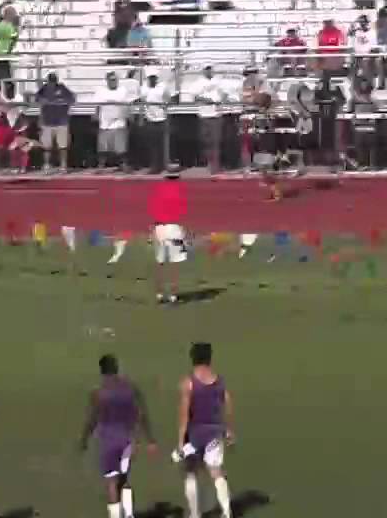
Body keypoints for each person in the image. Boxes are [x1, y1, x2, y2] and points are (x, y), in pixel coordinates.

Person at [81, 354, 156, 518]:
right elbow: (141, 413)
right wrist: (149, 439)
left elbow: (92, 419)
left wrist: (84, 440)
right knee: (124, 479)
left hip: (108, 441)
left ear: (101, 371)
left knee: (111, 482)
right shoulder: (131, 387)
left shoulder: (98, 392)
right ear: (117, 368)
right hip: (128, 440)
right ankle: (129, 514)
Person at [176, 342, 234, 518]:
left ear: (193, 358)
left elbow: (184, 414)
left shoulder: (188, 383)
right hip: (214, 432)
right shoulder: (219, 380)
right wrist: (229, 429)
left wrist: (180, 441)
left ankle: (194, 514)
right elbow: (228, 403)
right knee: (216, 472)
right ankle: (226, 511)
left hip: (194, 434)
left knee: (191, 472)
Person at [149, 164, 187, 302]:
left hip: (159, 227)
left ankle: (159, 294)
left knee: (159, 261)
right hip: (174, 228)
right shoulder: (181, 190)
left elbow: (153, 209)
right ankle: (173, 295)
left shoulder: (158, 189)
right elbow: (183, 212)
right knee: (175, 263)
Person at [93, 71, 132, 170]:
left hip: (119, 122)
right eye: (111, 80)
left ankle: (123, 165)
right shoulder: (101, 91)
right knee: (102, 147)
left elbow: (127, 105)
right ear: (107, 81)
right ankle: (101, 165)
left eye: (115, 80)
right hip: (105, 122)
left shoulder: (123, 90)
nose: (113, 82)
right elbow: (97, 106)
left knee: (121, 147)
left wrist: (129, 117)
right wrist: (95, 115)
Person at [35, 72, 74, 171]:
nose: (52, 83)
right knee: (46, 146)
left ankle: (63, 166)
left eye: (54, 81)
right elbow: (37, 99)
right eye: (51, 81)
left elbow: (71, 99)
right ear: (48, 80)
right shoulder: (43, 89)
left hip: (61, 122)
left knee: (63, 146)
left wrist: (60, 102)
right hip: (47, 122)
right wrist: (44, 101)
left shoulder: (62, 88)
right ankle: (47, 165)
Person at [193, 66, 227, 172]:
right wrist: (210, 100)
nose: (209, 71)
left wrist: (221, 99)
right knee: (206, 142)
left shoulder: (218, 81)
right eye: (207, 69)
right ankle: (209, 163)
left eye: (210, 69)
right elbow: (196, 97)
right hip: (204, 115)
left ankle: (215, 166)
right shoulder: (198, 83)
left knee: (216, 141)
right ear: (204, 71)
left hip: (216, 115)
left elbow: (225, 93)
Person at [139, 74, 174, 173]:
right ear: (148, 79)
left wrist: (165, 104)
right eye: (151, 78)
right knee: (153, 145)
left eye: (154, 78)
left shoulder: (163, 87)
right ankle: (155, 167)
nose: (152, 80)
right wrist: (141, 118)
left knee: (164, 144)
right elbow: (142, 104)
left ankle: (166, 165)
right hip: (150, 119)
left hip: (162, 118)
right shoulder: (143, 89)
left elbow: (169, 100)